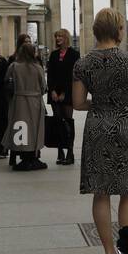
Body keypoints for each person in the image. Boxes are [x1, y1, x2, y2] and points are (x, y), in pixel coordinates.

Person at [72, 9, 128, 254]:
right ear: (118, 30)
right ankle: (126, 252)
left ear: (96, 30)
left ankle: (108, 253)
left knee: (101, 193)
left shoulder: (83, 63)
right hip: (124, 129)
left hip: (96, 129)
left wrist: (100, 102)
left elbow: (78, 102)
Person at [3, 41, 47, 171]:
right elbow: (44, 87)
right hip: (35, 102)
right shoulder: (37, 67)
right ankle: (34, 157)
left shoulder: (14, 66)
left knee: (20, 129)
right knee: (34, 130)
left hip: (19, 101)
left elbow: (7, 82)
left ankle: (23, 157)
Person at [46, 28, 80, 165]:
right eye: (56, 36)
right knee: (57, 122)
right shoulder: (53, 54)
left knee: (68, 122)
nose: (58, 38)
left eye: (60, 36)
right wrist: (52, 91)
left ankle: (70, 153)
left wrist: (65, 93)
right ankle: (60, 151)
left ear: (66, 37)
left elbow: (74, 76)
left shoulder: (74, 54)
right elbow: (51, 74)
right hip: (54, 94)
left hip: (68, 93)